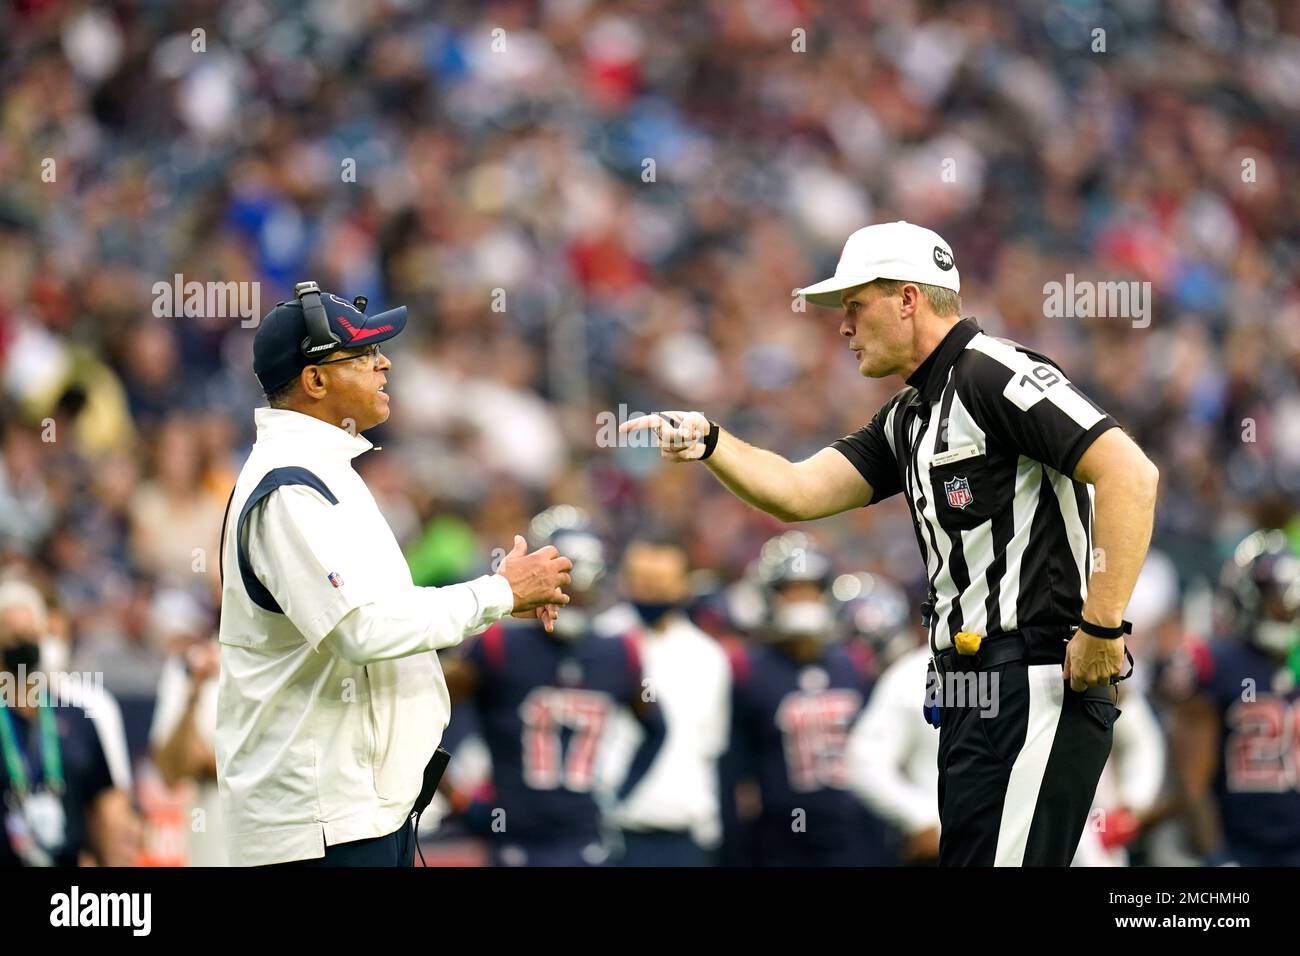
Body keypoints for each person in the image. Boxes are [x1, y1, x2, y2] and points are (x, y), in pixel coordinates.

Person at [621, 221, 1160, 866]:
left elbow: (1130, 471)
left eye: (855, 305)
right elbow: (798, 490)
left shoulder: (996, 373)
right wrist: (712, 440)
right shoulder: (910, 414)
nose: (843, 327)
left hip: (1035, 676)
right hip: (971, 691)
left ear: (908, 298)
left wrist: (1102, 629)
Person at [215, 282, 572, 867]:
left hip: (356, 813)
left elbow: (383, 620)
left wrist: (501, 601)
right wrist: (498, 592)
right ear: (316, 380)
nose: (384, 363)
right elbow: (360, 631)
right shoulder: (289, 487)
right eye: (362, 354)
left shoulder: (327, 471)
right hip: (318, 824)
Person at [442, 509, 666, 866]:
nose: (576, 588)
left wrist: (617, 797)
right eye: (566, 573)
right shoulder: (499, 646)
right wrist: (457, 798)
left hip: (587, 841)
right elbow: (425, 714)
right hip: (512, 839)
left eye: (584, 574)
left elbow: (657, 728)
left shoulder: (618, 652)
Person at [721, 534, 882, 866]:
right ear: (769, 596)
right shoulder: (750, 669)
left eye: (811, 588)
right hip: (779, 839)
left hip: (851, 833)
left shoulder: (854, 664)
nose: (803, 600)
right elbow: (735, 769)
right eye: (791, 590)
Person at [594, 536, 731, 866]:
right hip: (611, 830)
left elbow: (710, 746)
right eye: (643, 582)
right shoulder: (599, 640)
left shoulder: (707, 656)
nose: (651, 592)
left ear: (683, 585)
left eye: (662, 583)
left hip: (682, 830)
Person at [1168, 529, 1300, 866]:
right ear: (1246, 593)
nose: (1286, 605)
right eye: (1274, 592)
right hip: (1241, 851)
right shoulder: (1217, 664)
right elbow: (1191, 780)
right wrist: (1219, 858)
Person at [0, 577, 138, 867]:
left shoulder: (77, 719)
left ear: (42, 638)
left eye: (29, 634)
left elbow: (108, 807)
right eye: (12, 636)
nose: (21, 644)